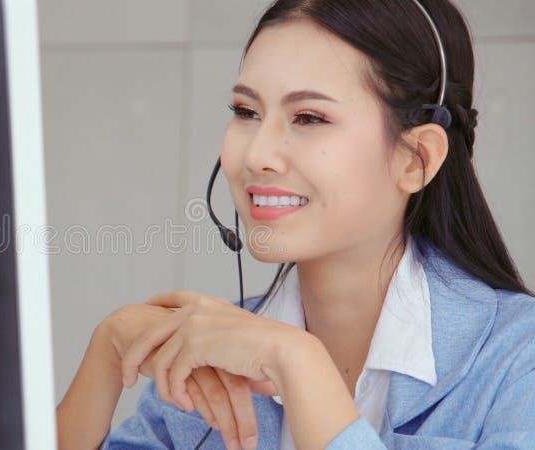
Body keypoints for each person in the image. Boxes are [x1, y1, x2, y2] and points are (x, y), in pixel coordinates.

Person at [55, 0, 535, 449]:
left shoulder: (518, 361)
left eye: (308, 117)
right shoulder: (204, 360)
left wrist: (300, 365)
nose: (257, 155)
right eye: (246, 112)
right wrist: (106, 356)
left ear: (416, 158)